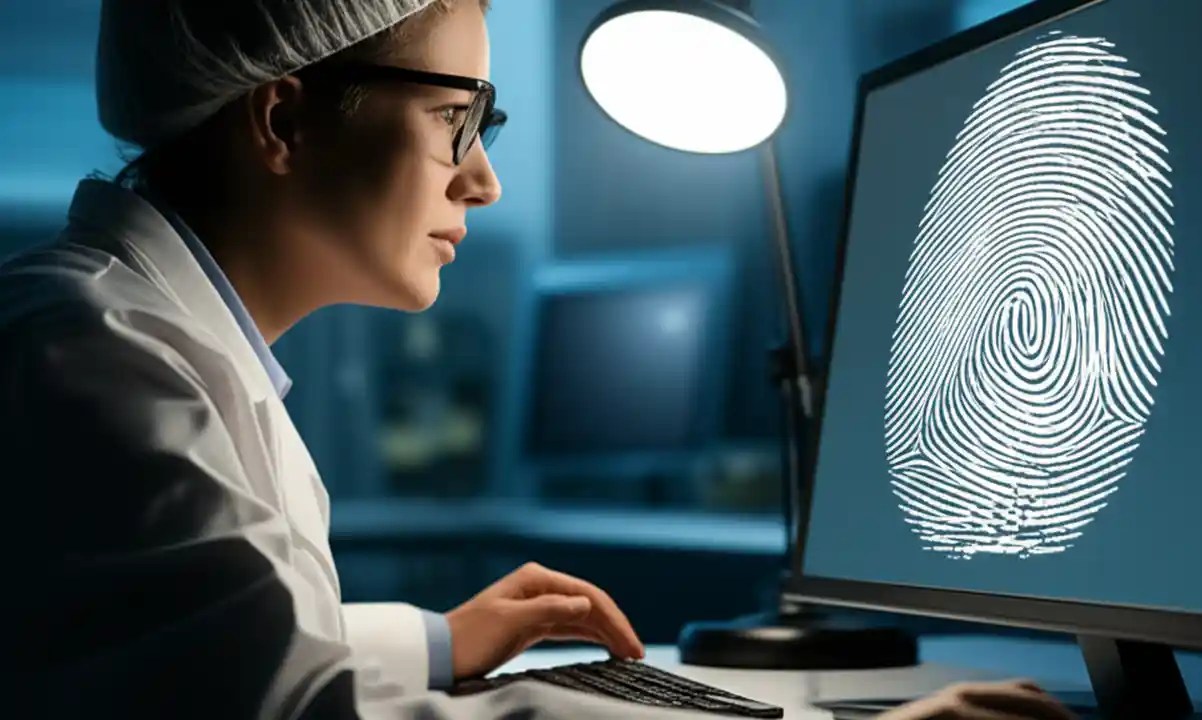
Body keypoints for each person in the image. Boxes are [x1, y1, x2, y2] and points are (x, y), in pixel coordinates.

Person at [0, 1, 1078, 718]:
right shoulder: (95, 354)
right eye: (453, 120)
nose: (484, 183)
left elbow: (207, 660)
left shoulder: (151, 341)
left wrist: (437, 641)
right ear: (281, 119)